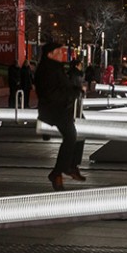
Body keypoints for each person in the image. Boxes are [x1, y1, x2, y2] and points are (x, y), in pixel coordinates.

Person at [34, 42, 86, 191]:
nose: (61, 54)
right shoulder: (47, 70)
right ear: (50, 54)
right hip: (55, 110)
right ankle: (58, 172)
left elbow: (64, 87)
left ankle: (71, 166)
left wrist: (76, 89)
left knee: (79, 132)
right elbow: (52, 93)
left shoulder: (55, 68)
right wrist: (75, 92)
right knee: (70, 137)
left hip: (63, 108)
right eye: (58, 52)